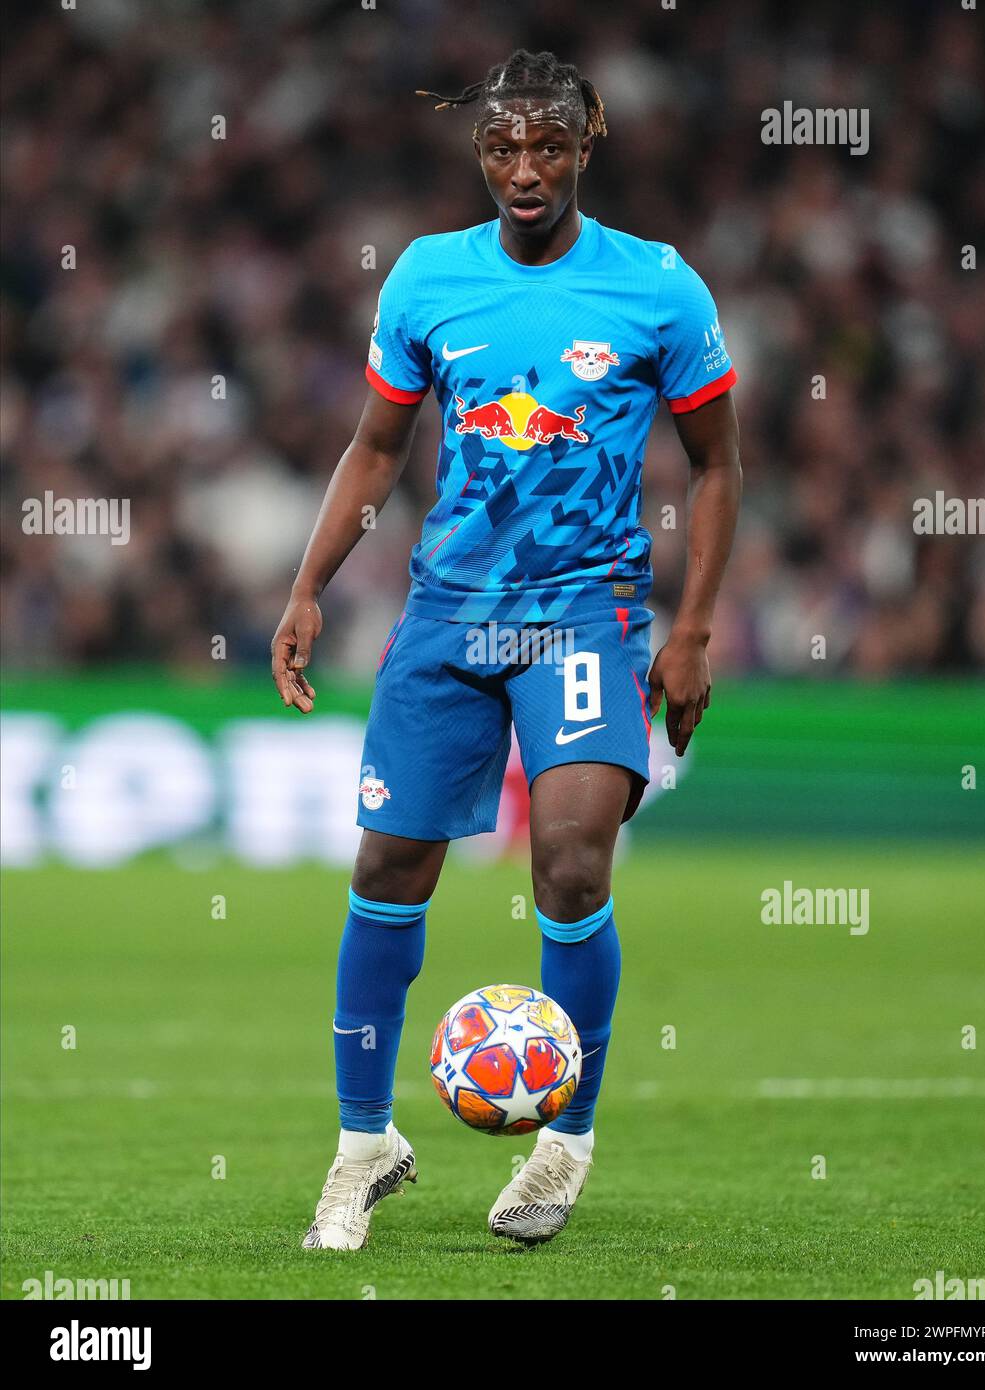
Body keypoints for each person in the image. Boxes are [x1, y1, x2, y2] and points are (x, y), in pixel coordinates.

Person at [271, 48, 742, 1251]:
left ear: (587, 144)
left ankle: (562, 1142)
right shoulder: (426, 277)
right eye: (500, 147)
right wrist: (309, 584)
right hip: (448, 615)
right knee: (388, 869)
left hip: (585, 615)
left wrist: (690, 628)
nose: (523, 170)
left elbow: (716, 464)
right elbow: (378, 448)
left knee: (571, 868)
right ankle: (362, 1146)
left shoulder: (657, 287)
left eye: (546, 146)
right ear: (477, 153)